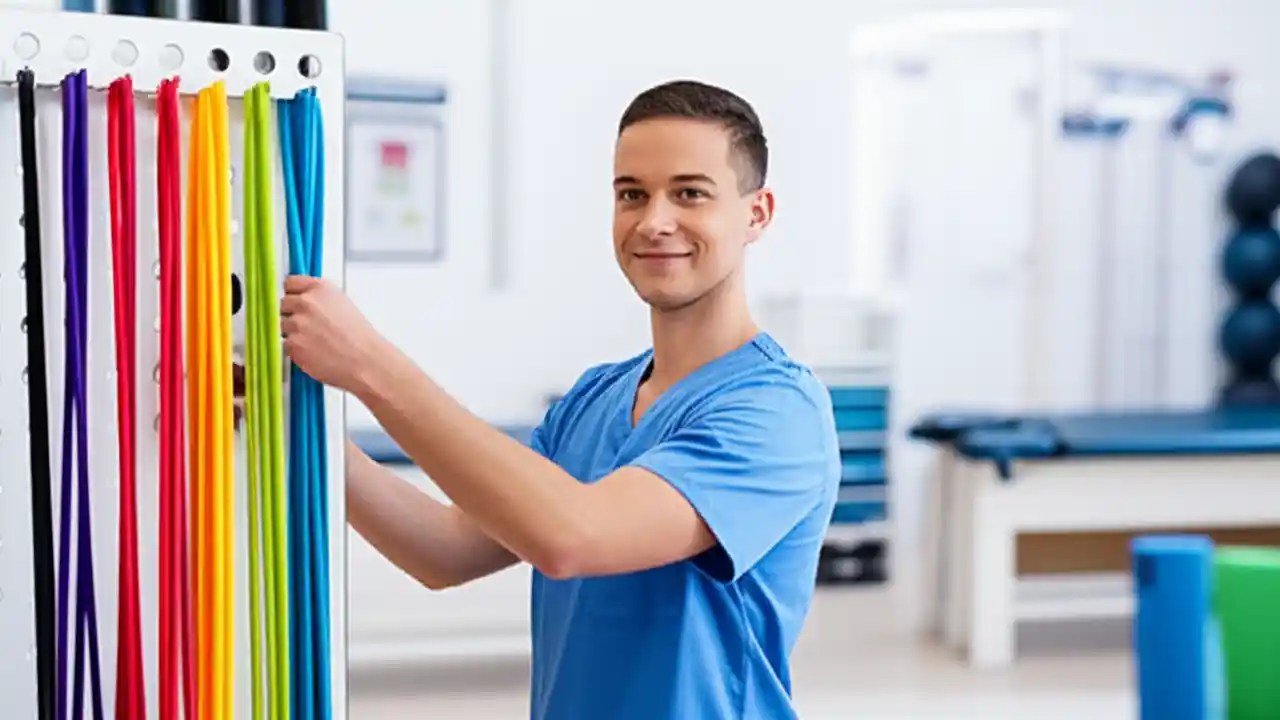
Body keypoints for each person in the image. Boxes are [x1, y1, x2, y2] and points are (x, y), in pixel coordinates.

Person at [281, 79, 841, 719]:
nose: (654, 221)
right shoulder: (593, 397)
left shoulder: (778, 411)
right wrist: (303, 427)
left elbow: (571, 537)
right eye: (632, 194)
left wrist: (367, 363)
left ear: (756, 214)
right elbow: (443, 550)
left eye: (690, 193)